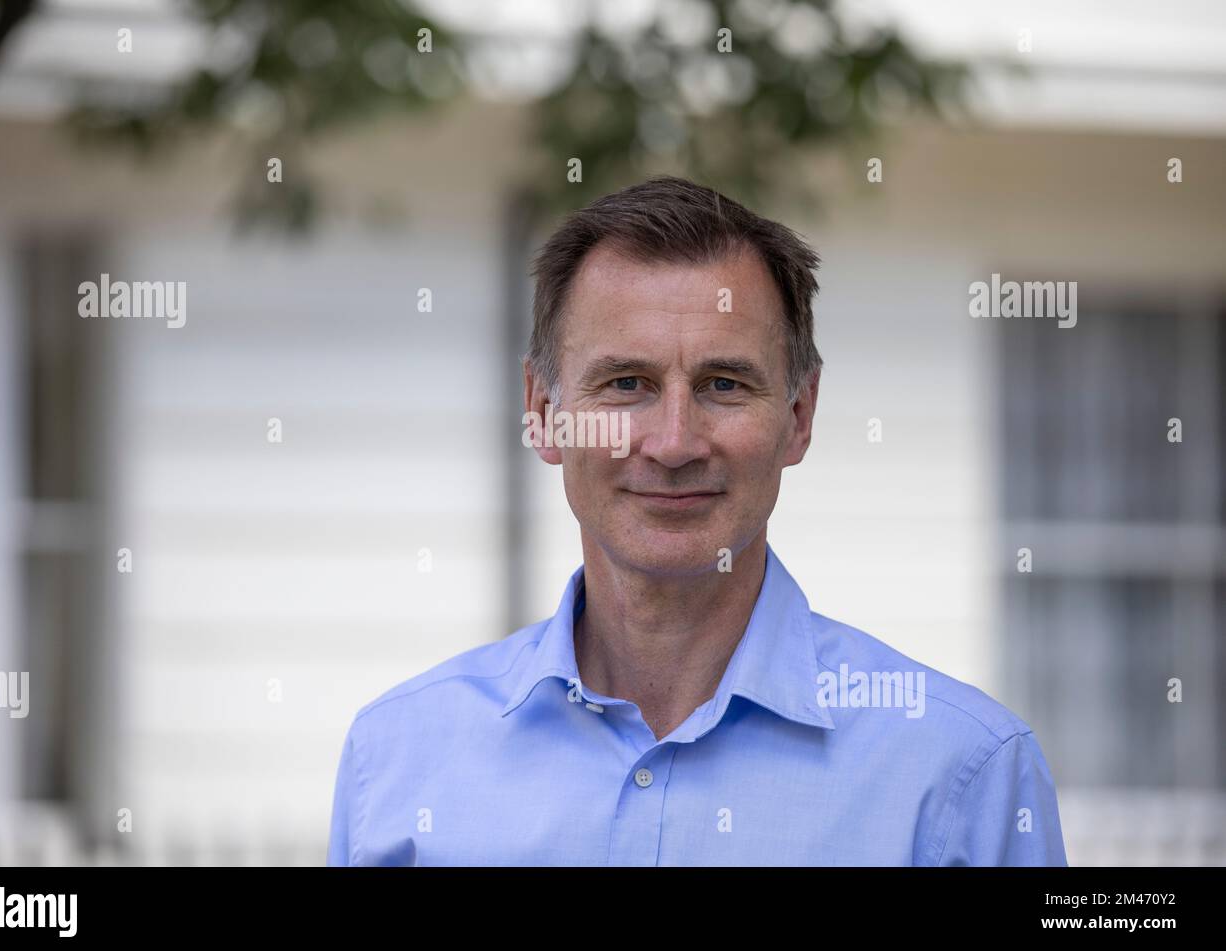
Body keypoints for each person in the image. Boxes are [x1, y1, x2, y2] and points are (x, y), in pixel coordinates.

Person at [327, 175, 1068, 866]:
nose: (675, 442)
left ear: (800, 415)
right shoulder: (396, 760)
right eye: (627, 383)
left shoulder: (963, 774)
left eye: (724, 384)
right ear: (544, 413)